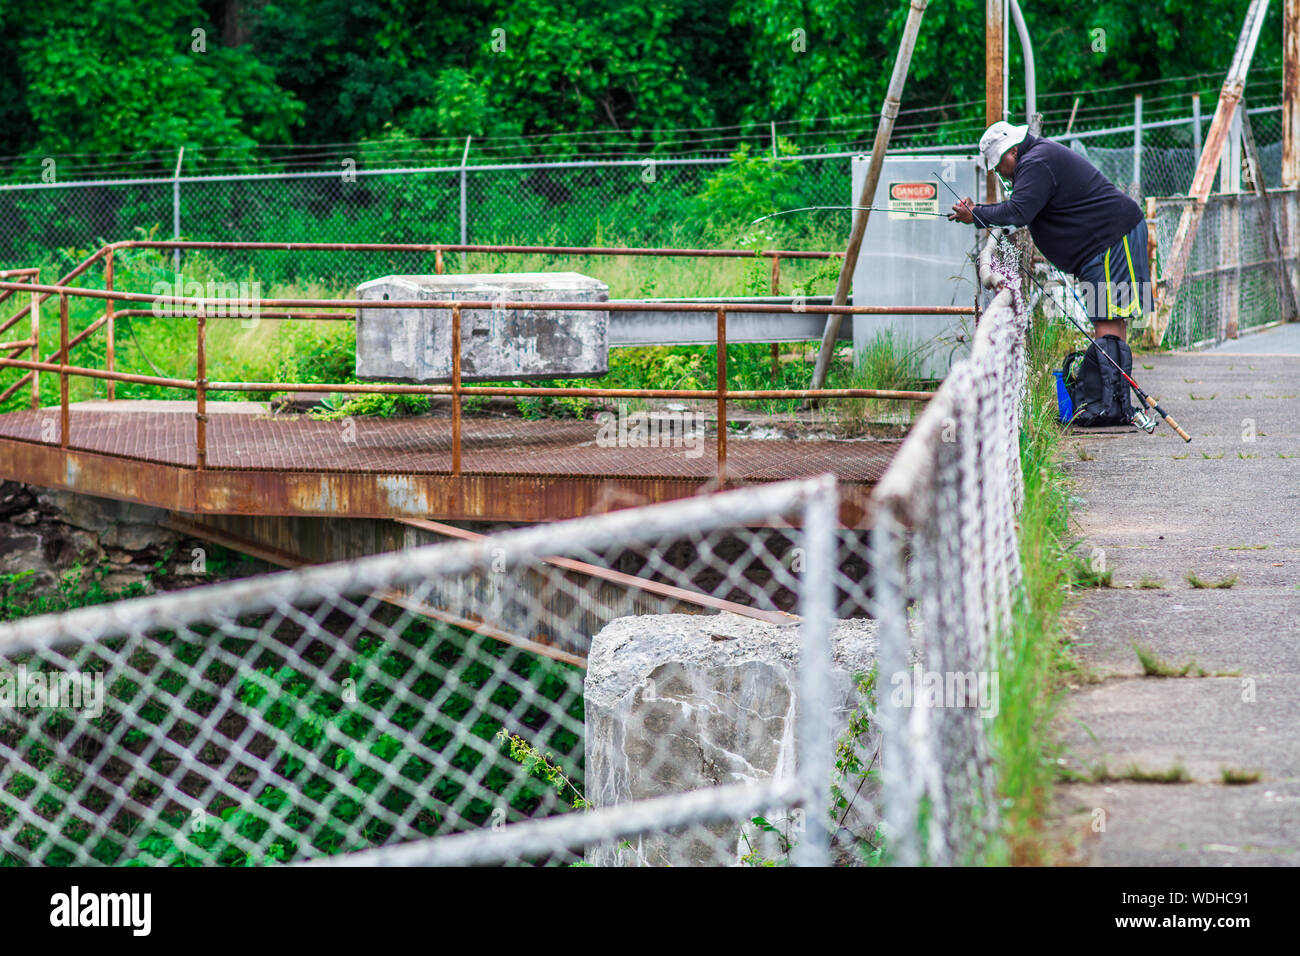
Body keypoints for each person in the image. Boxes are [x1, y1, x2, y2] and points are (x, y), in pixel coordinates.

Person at [947, 120, 1150, 342]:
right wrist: (977, 211)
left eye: (997, 163)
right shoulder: (1036, 158)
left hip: (1110, 237)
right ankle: (1114, 376)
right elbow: (1019, 208)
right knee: (1108, 316)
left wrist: (975, 214)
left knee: (1107, 318)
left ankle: (1110, 376)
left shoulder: (1036, 162)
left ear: (1013, 150)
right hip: (1102, 242)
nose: (996, 169)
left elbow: (1018, 213)